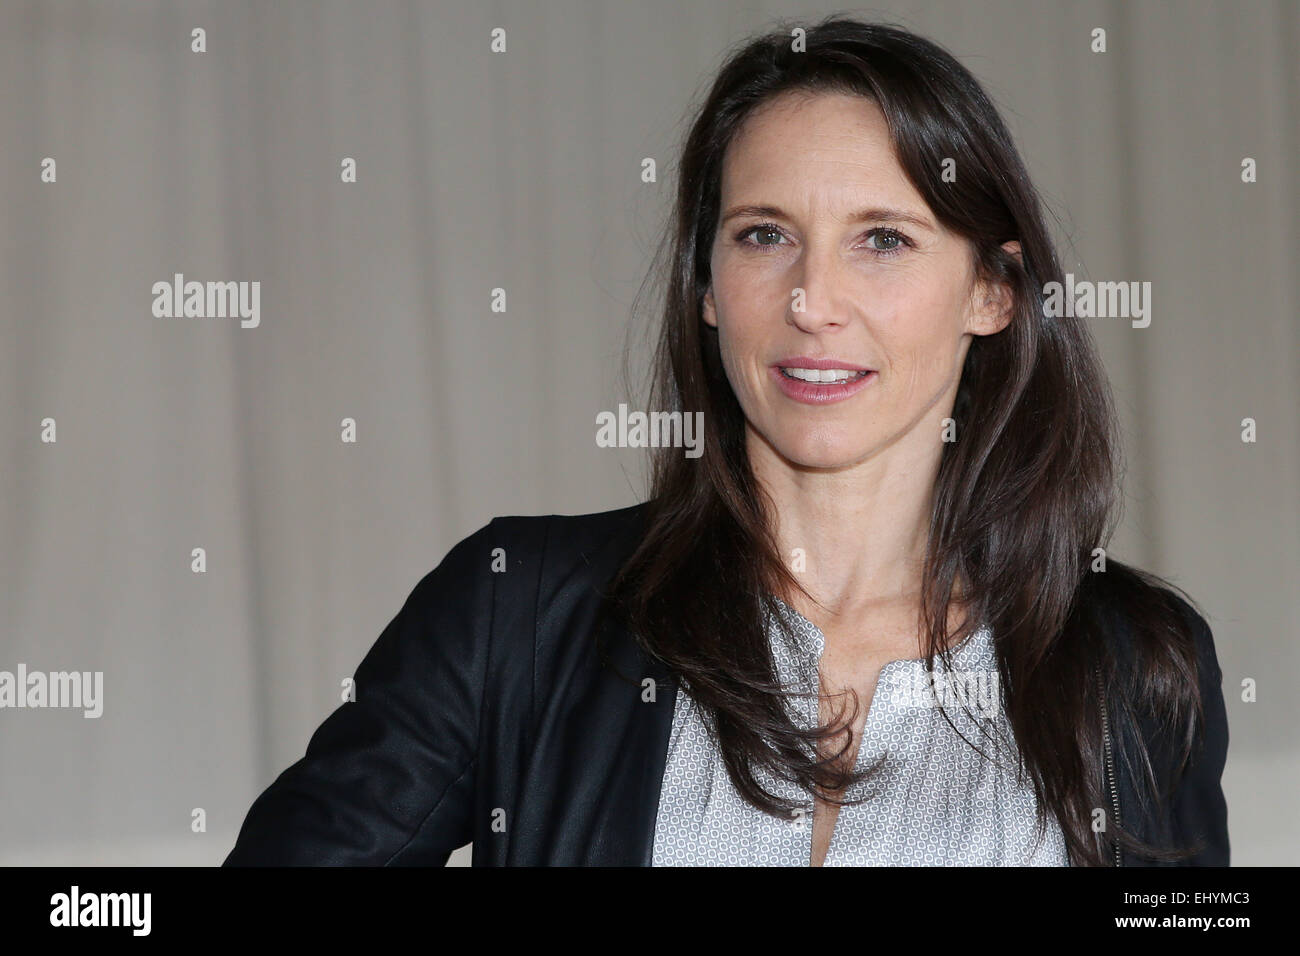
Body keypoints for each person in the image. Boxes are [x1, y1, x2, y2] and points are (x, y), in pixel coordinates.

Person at [224, 16, 1228, 867]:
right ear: (706, 286)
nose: (812, 300)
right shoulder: (513, 610)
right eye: (764, 235)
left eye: (882, 239)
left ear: (991, 292)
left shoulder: (1134, 664)